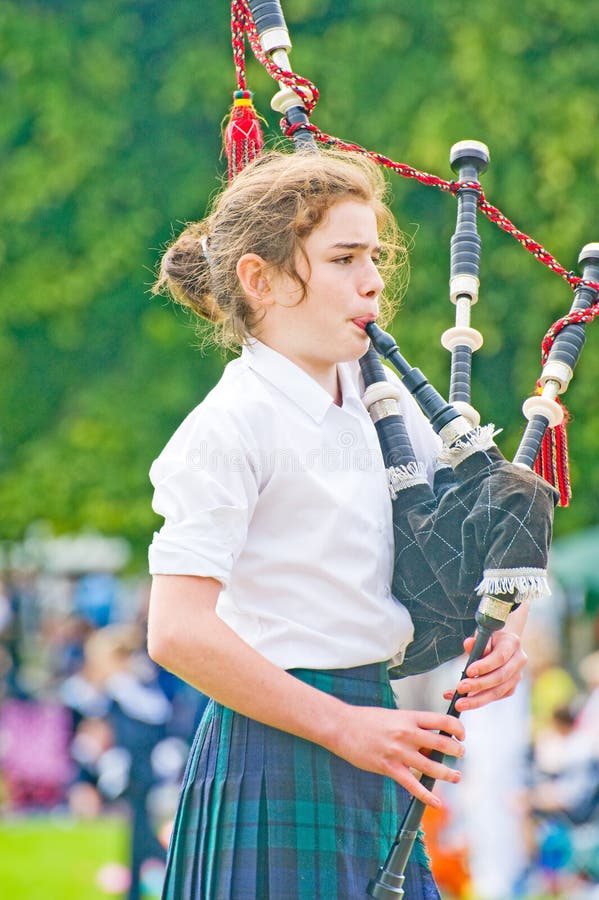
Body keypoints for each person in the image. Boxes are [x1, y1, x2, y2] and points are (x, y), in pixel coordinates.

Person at [146, 150, 528, 900]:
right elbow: (177, 631)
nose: (374, 281)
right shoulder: (231, 424)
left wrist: (500, 626)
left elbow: (461, 533)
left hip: (373, 734)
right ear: (259, 280)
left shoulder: (381, 403)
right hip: (273, 747)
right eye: (344, 257)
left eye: (374, 256)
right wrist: (341, 727)